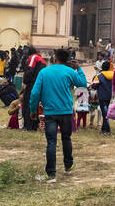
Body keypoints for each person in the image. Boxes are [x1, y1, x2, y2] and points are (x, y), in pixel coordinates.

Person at [28, 49, 88, 182]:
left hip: (50, 112)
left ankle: (51, 174)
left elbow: (35, 93)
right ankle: (68, 165)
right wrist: (79, 69)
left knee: (51, 142)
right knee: (66, 138)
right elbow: (83, 85)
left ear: (54, 58)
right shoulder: (70, 71)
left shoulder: (44, 72)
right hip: (66, 111)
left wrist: (33, 110)